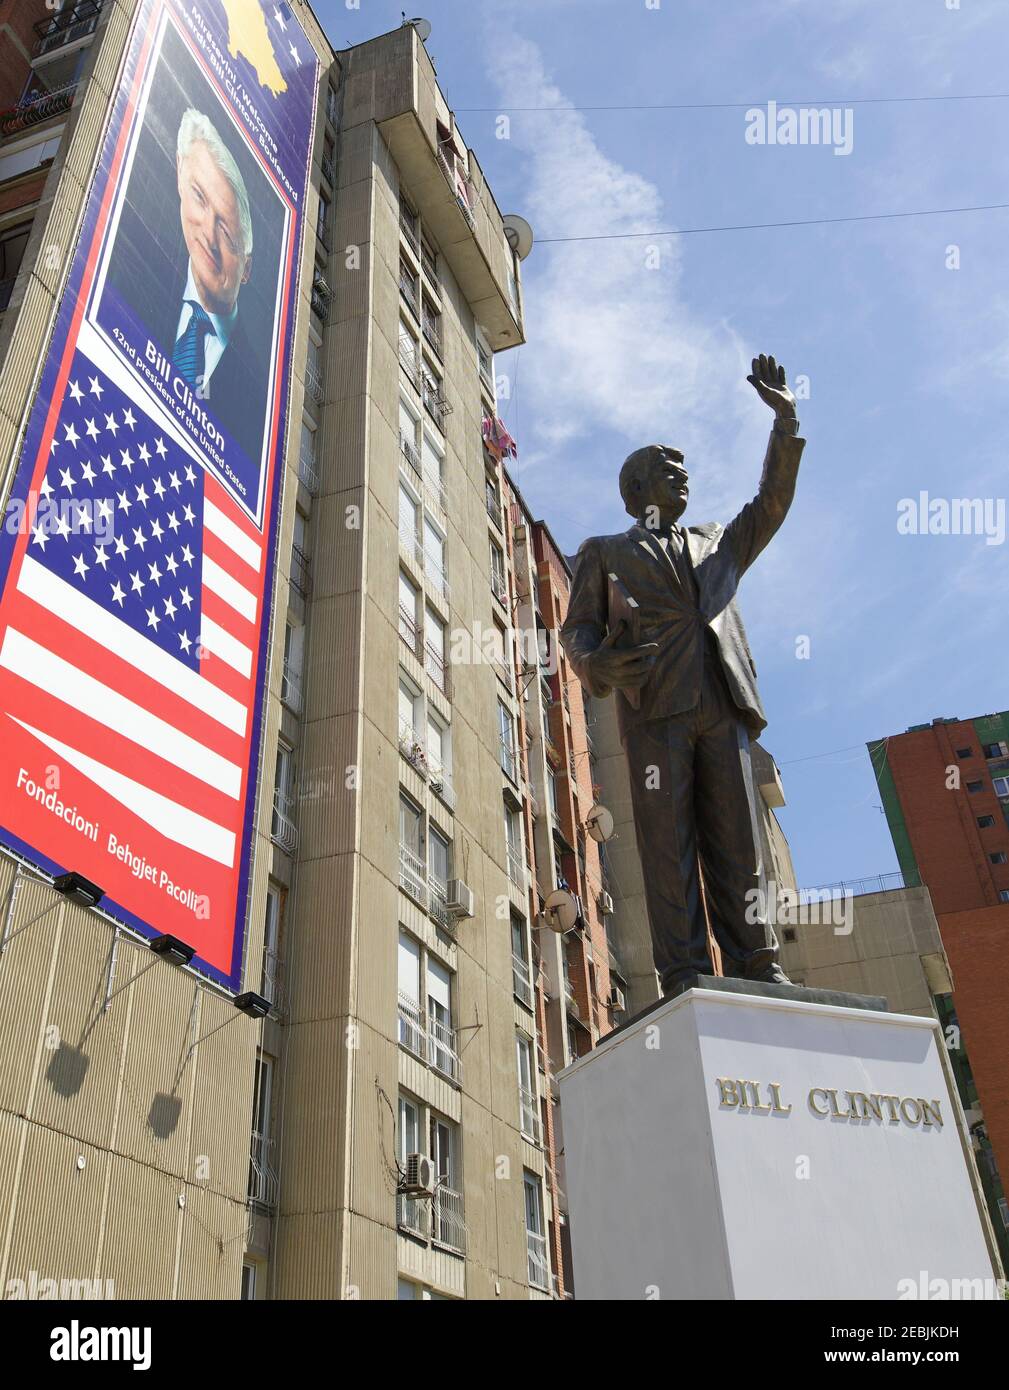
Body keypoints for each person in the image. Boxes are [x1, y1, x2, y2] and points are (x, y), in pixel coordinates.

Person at [560, 355, 805, 994]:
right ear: (638, 489)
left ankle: (758, 961)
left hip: (721, 706)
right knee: (668, 848)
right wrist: (595, 664)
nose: (684, 479)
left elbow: (771, 505)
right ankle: (685, 971)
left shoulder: (717, 541)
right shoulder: (605, 553)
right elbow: (576, 632)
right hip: (657, 708)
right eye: (671, 473)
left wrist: (785, 422)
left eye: (686, 471)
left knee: (740, 845)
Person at [106, 105, 270, 465]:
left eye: (227, 232)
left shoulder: (258, 395)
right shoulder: (122, 275)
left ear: (247, 268)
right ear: (180, 173)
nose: (209, 237)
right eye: (199, 197)